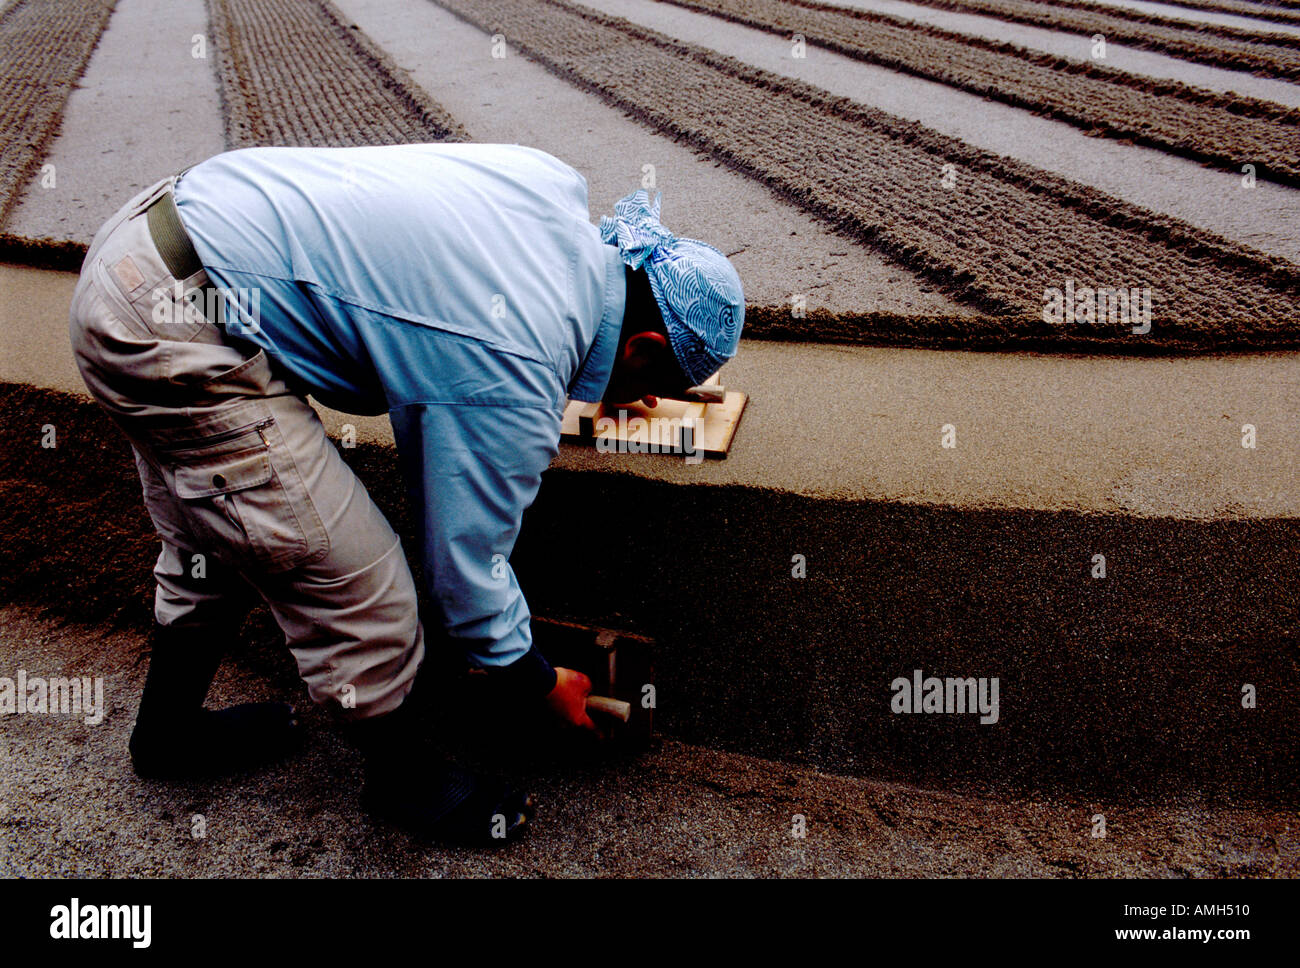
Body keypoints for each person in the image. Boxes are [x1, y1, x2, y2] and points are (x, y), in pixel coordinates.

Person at [68, 142, 744, 845]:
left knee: (214, 532)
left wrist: (587, 382)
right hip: (177, 330)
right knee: (362, 583)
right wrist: (540, 683)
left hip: (151, 246)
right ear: (638, 350)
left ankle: (168, 735)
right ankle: (405, 779)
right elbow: (465, 574)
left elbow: (478, 323)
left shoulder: (551, 190)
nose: (652, 399)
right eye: (657, 384)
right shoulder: (514, 372)